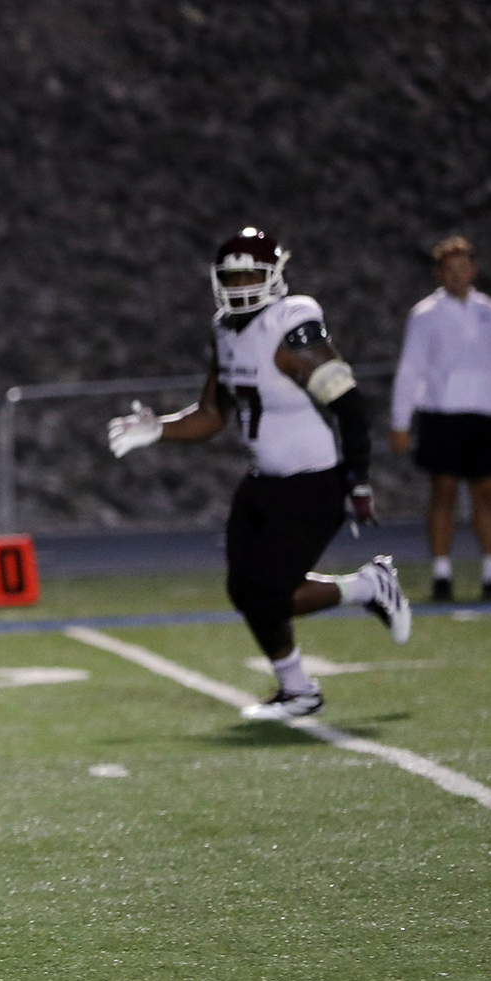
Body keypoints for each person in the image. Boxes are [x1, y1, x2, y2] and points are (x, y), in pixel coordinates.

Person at [108, 229, 412, 719]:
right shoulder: (225, 330)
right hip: (263, 482)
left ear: (275, 276)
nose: (242, 284)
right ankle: (297, 690)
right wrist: (156, 430)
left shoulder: (292, 325)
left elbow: (349, 405)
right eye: (232, 276)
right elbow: (211, 414)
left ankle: (370, 586)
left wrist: (358, 478)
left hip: (312, 481)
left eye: (251, 273)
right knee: (243, 590)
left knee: (270, 593)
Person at [390, 236, 491, 601]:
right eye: (449, 269)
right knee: (444, 493)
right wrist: (400, 421)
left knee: (487, 493)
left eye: (463, 267)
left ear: (474, 270)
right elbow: (411, 368)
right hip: (443, 414)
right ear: (439, 274)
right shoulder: (425, 315)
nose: (457, 275)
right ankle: (441, 574)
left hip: (483, 413)